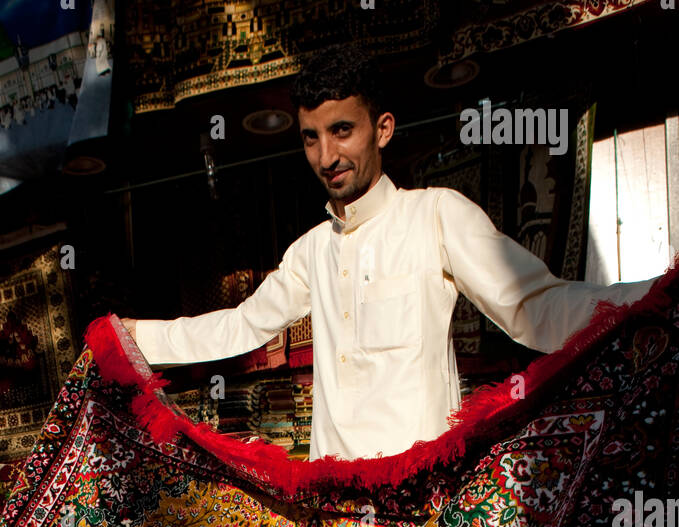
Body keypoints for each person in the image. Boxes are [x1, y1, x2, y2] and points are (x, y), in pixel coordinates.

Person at [122, 44, 661, 462]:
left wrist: (655, 300)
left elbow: (533, 307)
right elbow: (240, 327)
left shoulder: (435, 215)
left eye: (341, 131)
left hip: (422, 507)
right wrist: (131, 338)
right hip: (335, 519)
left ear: (382, 129)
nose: (327, 156)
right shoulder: (311, 251)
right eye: (311, 138)